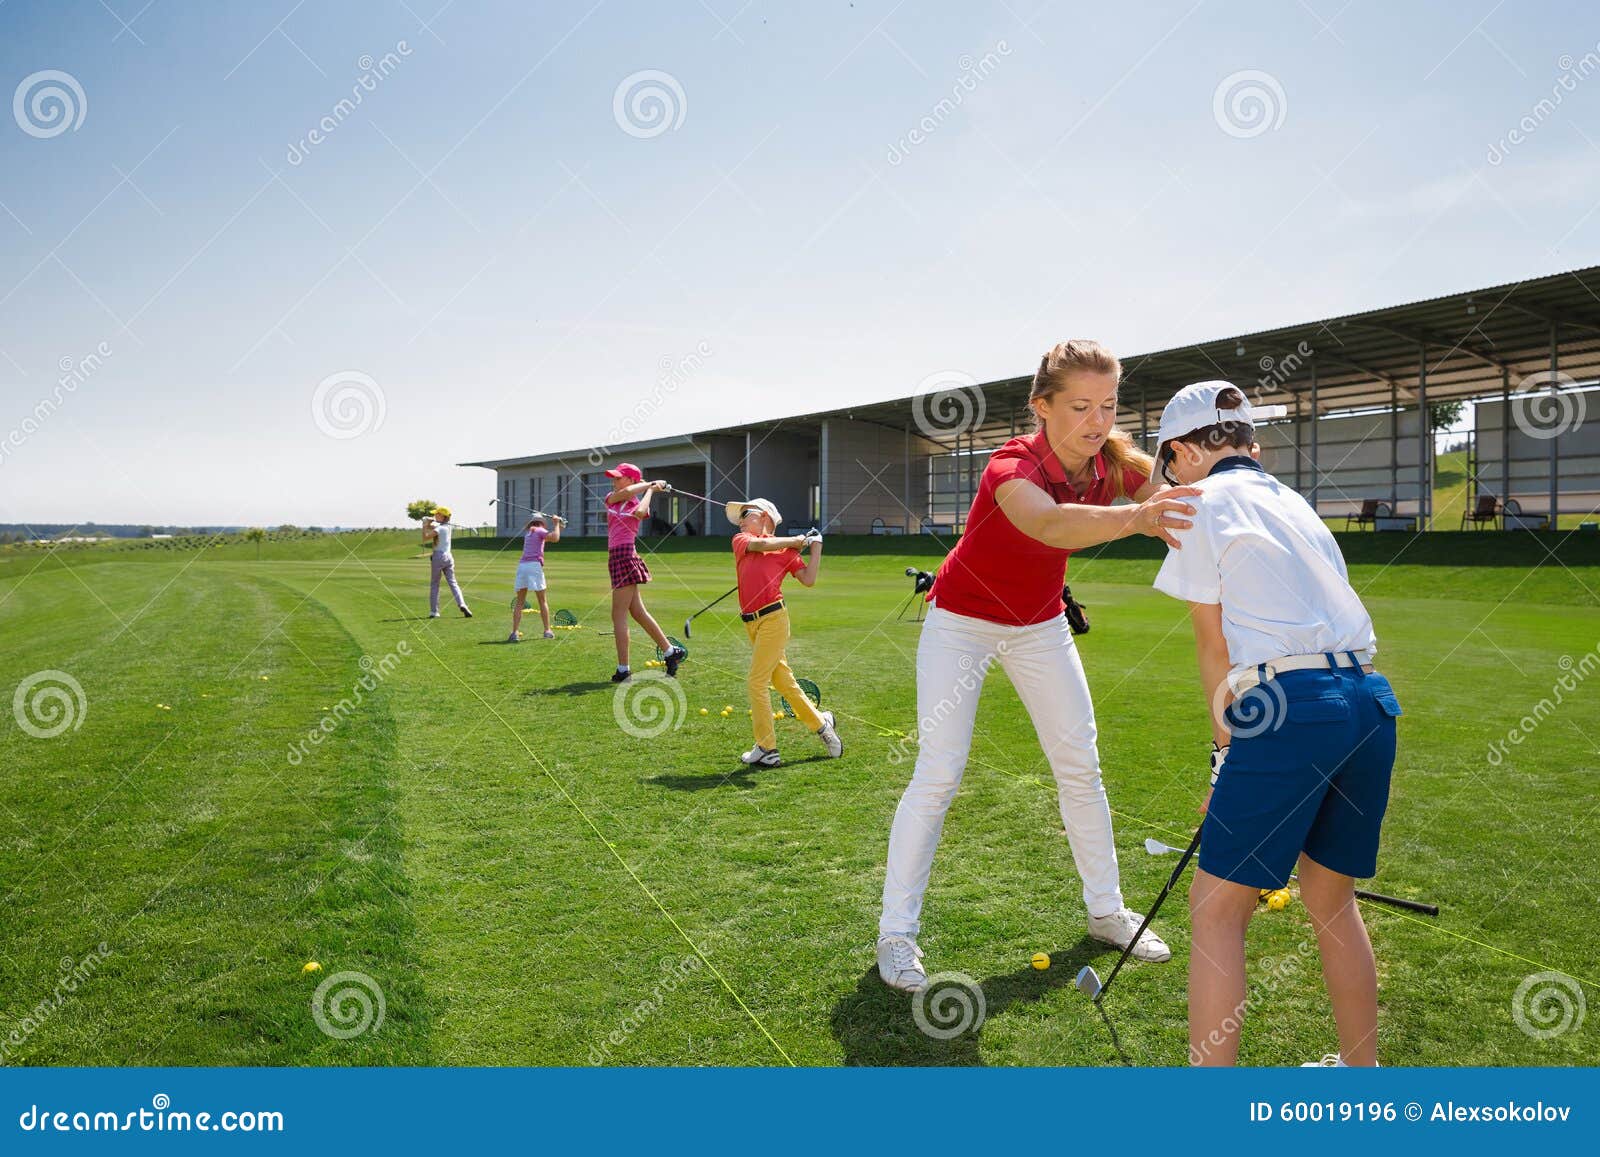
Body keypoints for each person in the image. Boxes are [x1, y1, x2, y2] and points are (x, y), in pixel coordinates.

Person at [876, 339, 1202, 993]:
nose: (1096, 420)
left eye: (1107, 405)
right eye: (1080, 406)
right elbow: (1049, 524)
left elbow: (1177, 492)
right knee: (940, 771)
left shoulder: (1112, 461)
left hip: (1039, 625)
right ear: (1042, 407)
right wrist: (1137, 516)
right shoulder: (1010, 464)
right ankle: (896, 935)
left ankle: (1107, 912)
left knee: (1081, 763)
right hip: (961, 622)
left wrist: (1227, 472)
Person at [1149, 381, 1399, 1068]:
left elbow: (1214, 646)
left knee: (1217, 909)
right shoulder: (1294, 501)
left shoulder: (1197, 502)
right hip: (1369, 700)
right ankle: (1361, 1076)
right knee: (1331, 898)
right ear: (1247, 444)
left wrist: (1223, 754)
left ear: (1181, 451)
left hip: (1290, 706)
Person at [726, 498, 843, 767]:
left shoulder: (786, 552)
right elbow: (760, 544)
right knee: (784, 683)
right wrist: (795, 540)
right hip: (750, 623)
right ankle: (823, 725)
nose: (742, 519)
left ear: (765, 516)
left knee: (756, 682)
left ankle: (767, 748)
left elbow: (808, 579)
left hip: (774, 619)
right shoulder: (742, 540)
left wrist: (816, 547)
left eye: (747, 514)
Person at [603, 463, 686, 682]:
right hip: (617, 557)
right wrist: (649, 485)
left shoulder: (638, 502)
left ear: (631, 479)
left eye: (619, 478)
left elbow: (640, 512)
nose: (614, 481)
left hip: (625, 556)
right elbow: (625, 493)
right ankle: (670, 652)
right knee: (637, 612)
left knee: (618, 614)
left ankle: (623, 670)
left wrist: (649, 491)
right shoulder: (612, 497)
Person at [509, 512, 564, 642]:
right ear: (542, 522)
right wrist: (556, 523)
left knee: (520, 602)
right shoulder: (540, 530)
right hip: (534, 566)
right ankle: (547, 631)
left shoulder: (530, 532)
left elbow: (552, 534)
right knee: (542, 601)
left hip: (522, 566)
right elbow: (555, 538)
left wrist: (560, 525)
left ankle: (515, 633)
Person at [421, 506, 471, 619]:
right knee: (453, 583)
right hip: (449, 557)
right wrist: (429, 522)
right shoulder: (447, 528)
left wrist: (424, 525)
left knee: (435, 584)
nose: (434, 516)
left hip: (438, 556)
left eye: (437, 514)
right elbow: (433, 526)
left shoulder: (440, 529)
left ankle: (434, 612)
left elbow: (425, 537)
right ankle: (462, 604)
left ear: (443, 516)